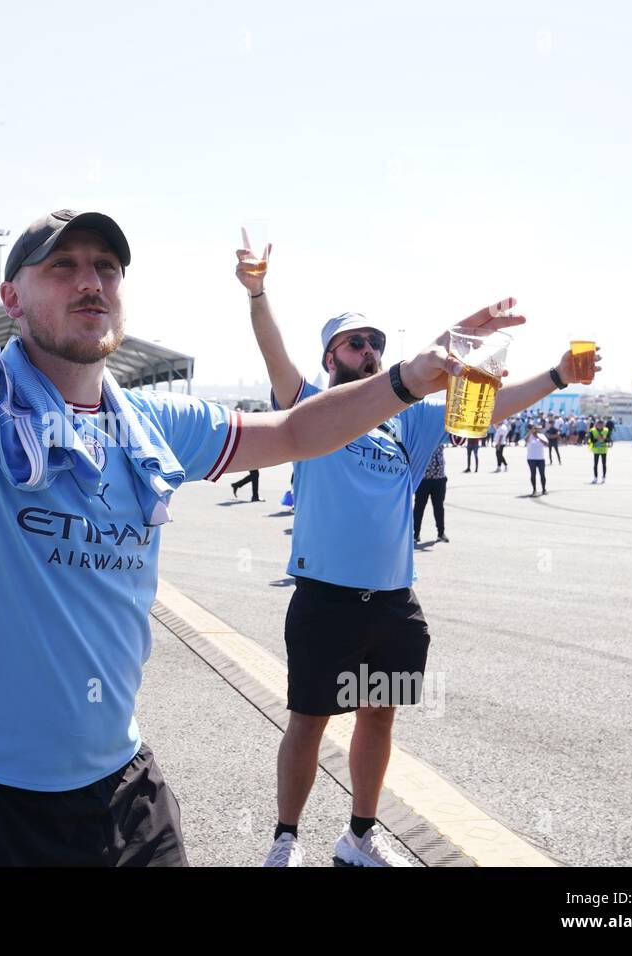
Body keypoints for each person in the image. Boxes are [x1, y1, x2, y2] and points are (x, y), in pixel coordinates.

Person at [0, 17, 498, 866]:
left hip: (121, 784)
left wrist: (409, 378)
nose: (92, 281)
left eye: (107, 267)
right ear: (12, 296)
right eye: (64, 266)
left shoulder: (157, 422)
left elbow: (300, 429)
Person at [234, 238, 599, 868]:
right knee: (309, 722)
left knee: (379, 719)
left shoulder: (407, 420)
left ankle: (358, 836)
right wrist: (258, 293)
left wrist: (559, 375)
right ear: (330, 358)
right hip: (325, 600)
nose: (369, 351)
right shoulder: (307, 408)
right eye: (354, 343)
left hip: (394, 603)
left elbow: (485, 411)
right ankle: (285, 839)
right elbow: (274, 354)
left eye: (375, 342)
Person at [413, 445, 448, 544]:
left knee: (439, 507)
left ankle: (441, 533)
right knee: (419, 508)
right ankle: (415, 534)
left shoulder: (441, 438)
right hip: (423, 479)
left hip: (439, 478)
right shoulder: (424, 439)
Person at [526, 423, 548, 496]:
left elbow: (546, 444)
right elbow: (526, 441)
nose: (535, 430)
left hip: (540, 458)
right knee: (533, 474)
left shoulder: (541, 435)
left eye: (536, 428)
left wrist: (538, 437)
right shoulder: (529, 436)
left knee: (542, 474)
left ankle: (544, 489)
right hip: (531, 458)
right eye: (533, 428)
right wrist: (530, 433)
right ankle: (534, 489)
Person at [589, 419, 610, 483]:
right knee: (595, 464)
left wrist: (605, 438)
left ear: (603, 425)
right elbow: (591, 440)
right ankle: (595, 477)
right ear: (596, 425)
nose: (600, 426)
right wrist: (597, 439)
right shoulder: (593, 431)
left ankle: (604, 477)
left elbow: (609, 439)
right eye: (599, 425)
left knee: (604, 464)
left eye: (602, 425)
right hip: (596, 449)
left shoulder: (606, 430)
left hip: (603, 449)